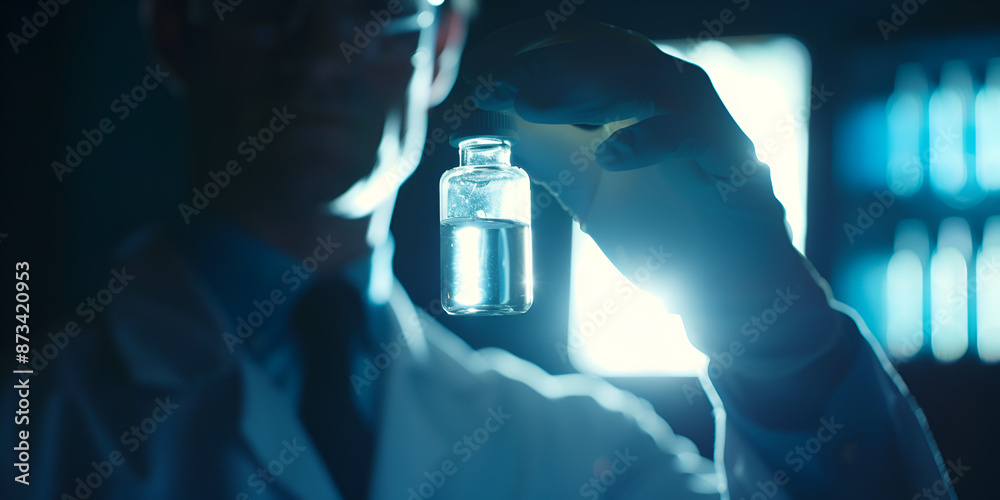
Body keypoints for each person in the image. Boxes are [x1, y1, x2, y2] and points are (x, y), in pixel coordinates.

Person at [6, 0, 954, 498]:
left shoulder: (581, 453)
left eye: (372, 4)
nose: (319, 47)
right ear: (172, 25)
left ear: (445, 37)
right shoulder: (34, 411)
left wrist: (771, 327)